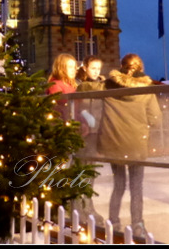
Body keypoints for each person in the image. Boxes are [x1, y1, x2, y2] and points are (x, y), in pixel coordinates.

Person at [96, 53, 162, 239]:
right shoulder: (146, 88)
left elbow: (86, 88)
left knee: (119, 185)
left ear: (122, 66)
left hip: (113, 142)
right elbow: (156, 119)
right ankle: (137, 224)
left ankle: (113, 221)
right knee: (136, 187)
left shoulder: (108, 84)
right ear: (140, 67)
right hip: (136, 144)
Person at [73, 55, 106, 226]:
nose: (96, 71)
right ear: (85, 67)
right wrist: (84, 117)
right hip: (83, 132)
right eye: (93, 68)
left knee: (91, 171)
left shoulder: (103, 85)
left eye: (98, 68)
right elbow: (77, 107)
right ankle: (80, 206)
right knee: (81, 170)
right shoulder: (78, 85)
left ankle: (88, 205)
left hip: (96, 132)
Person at [46, 53, 79, 120]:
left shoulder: (73, 84)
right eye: (70, 67)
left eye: (74, 67)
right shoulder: (54, 84)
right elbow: (62, 103)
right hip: (63, 121)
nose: (73, 70)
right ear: (61, 68)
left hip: (75, 119)